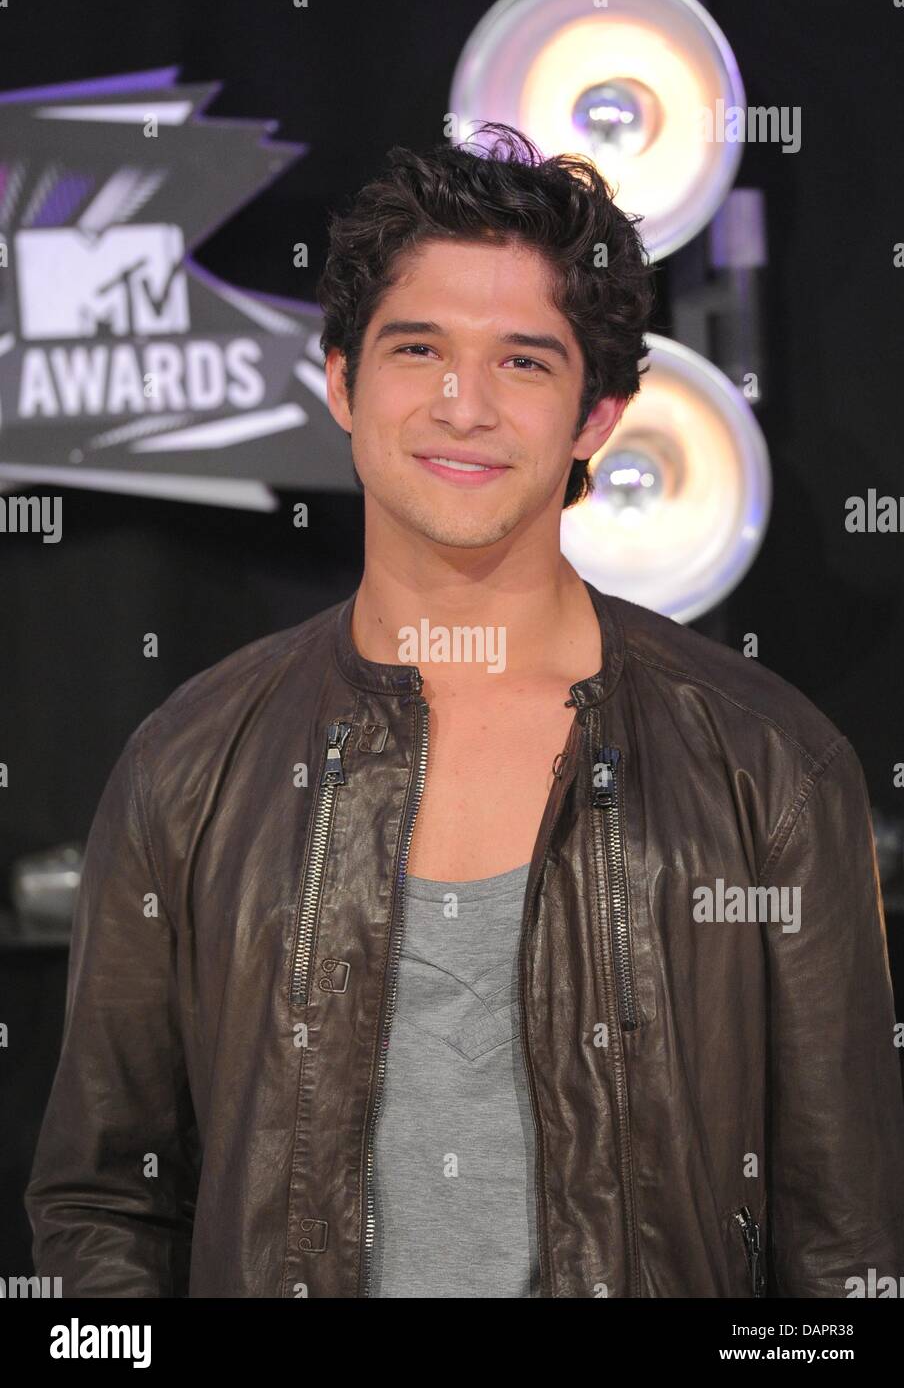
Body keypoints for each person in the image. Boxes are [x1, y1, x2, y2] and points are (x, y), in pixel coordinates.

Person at [26, 123, 904, 1298]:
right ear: (341, 380)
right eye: (418, 349)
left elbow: (844, 1249)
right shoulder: (187, 761)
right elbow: (104, 1206)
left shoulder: (770, 766)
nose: (462, 404)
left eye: (524, 362)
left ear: (595, 418)